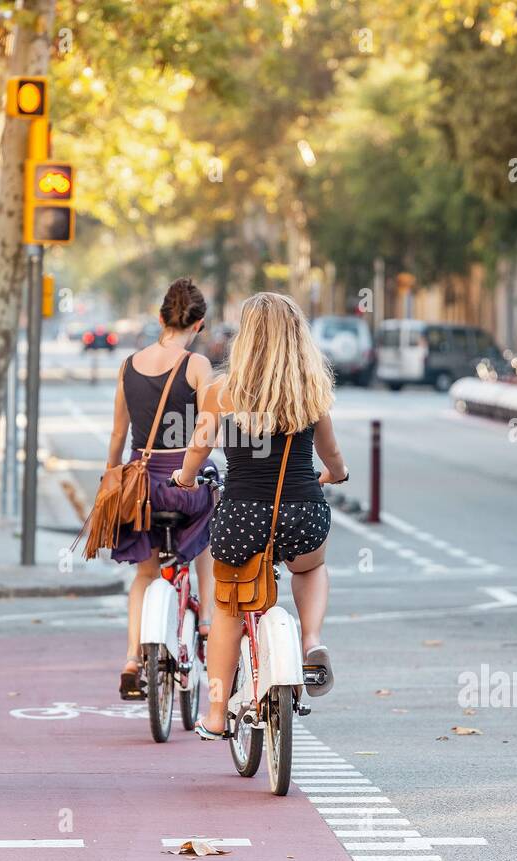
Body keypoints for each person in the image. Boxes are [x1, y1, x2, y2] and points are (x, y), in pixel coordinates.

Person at [171, 291, 349, 740]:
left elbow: (199, 447)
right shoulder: (311, 391)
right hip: (303, 510)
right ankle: (310, 640)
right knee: (311, 568)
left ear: (246, 339)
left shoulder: (222, 391)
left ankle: (215, 714)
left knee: (228, 608)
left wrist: (186, 478)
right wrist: (337, 474)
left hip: (241, 517)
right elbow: (333, 456)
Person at [105, 278, 217, 700]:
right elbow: (207, 428)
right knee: (208, 524)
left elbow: (117, 436)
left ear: (160, 318)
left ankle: (132, 658)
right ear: (199, 325)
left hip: (139, 485)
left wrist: (111, 479)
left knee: (145, 574)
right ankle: (205, 618)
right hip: (181, 483)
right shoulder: (197, 366)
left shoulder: (130, 364)